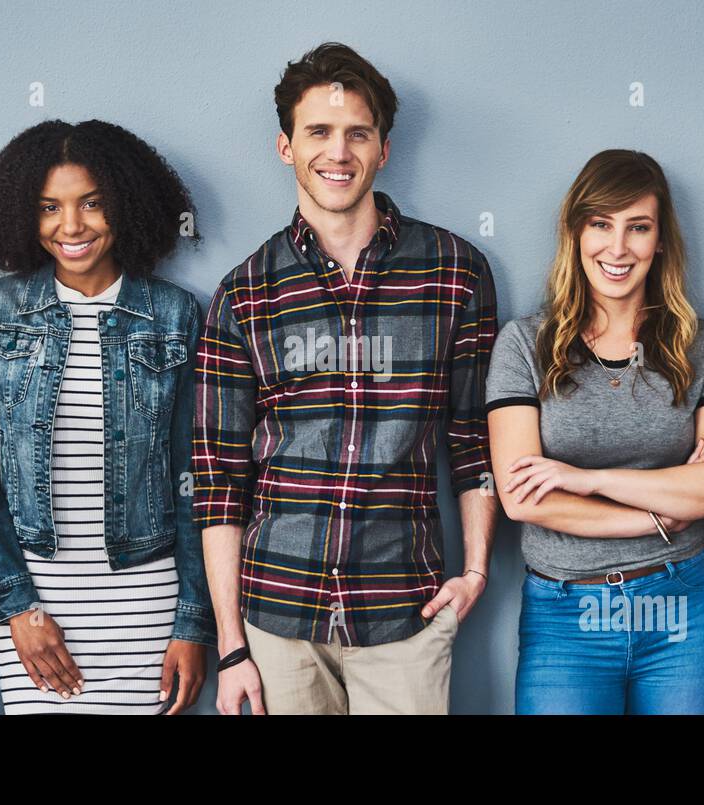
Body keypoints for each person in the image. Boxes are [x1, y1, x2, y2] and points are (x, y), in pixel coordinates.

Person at [196, 42, 499, 715]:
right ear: (286, 146)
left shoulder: (455, 273)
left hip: (404, 614)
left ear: (383, 148)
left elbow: (473, 439)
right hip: (276, 621)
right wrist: (231, 645)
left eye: (358, 132)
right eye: (319, 132)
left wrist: (476, 568)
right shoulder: (243, 294)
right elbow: (219, 483)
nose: (339, 152)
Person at [0, 119, 214, 714]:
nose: (71, 226)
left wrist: (193, 622)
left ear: (124, 204)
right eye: (49, 207)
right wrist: (16, 608)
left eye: (91, 203)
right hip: (36, 608)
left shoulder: (174, 316)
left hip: (148, 604)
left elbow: (196, 480)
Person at [486, 149, 704, 714]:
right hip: (565, 616)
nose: (618, 247)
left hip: (685, 608)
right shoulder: (523, 345)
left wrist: (583, 478)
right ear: (576, 232)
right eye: (601, 224)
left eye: (638, 227)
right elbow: (522, 499)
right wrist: (659, 515)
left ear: (660, 240)